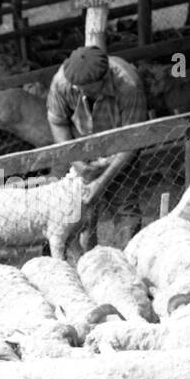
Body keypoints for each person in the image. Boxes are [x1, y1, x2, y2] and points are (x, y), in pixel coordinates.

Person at [45, 44, 147, 246]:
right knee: (72, 208)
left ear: (100, 81)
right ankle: (81, 261)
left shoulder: (128, 86)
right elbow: (57, 121)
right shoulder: (63, 81)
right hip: (79, 147)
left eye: (82, 87)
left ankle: (129, 258)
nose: (75, 89)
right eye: (73, 85)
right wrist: (77, 162)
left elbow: (132, 140)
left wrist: (100, 183)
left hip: (119, 149)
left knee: (125, 205)